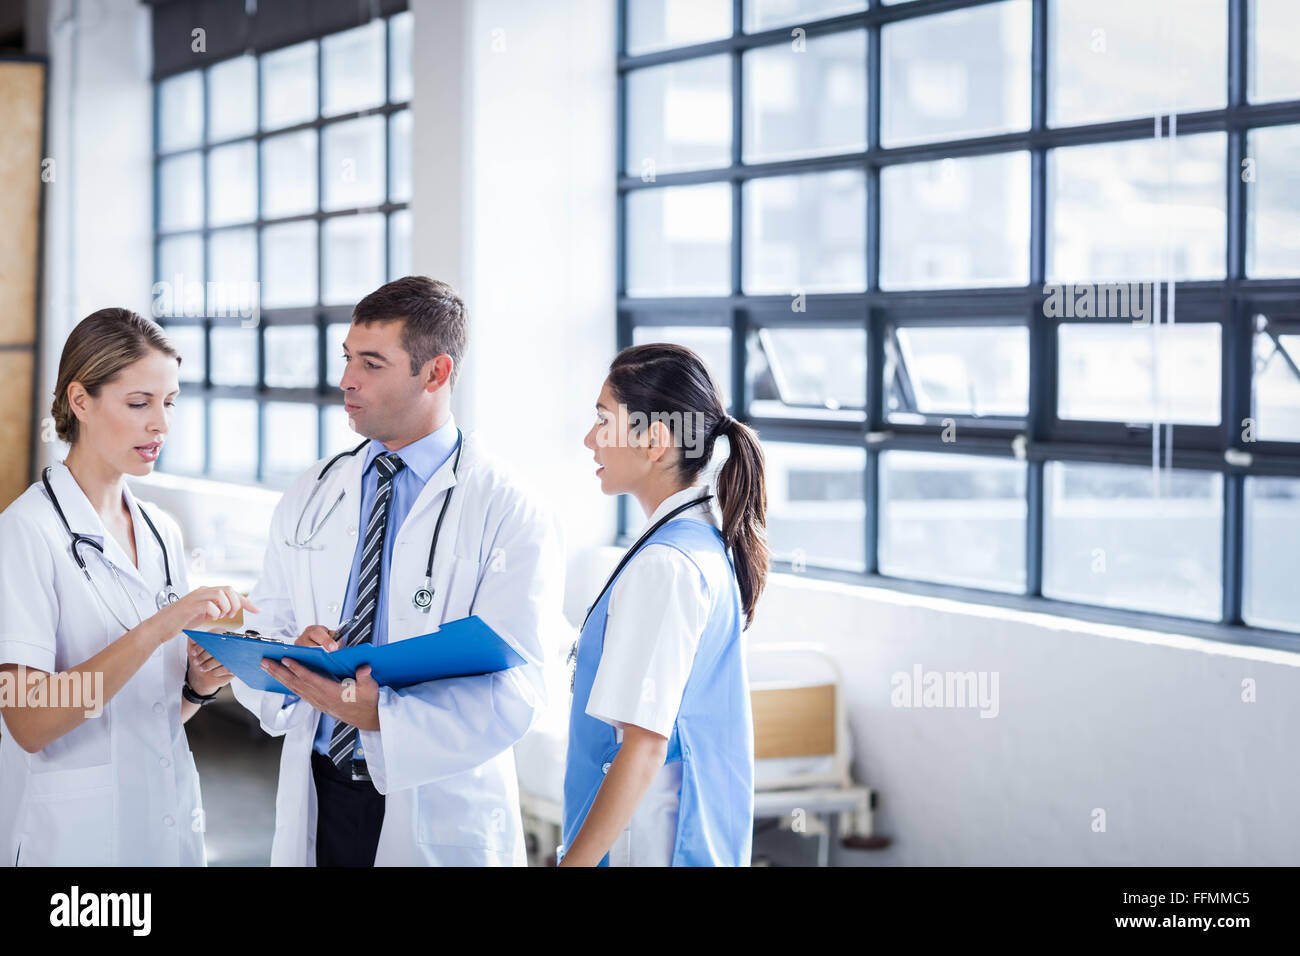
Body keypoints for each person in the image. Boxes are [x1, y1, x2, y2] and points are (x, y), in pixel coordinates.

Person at [230, 276, 564, 867]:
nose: (346, 381)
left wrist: (382, 717)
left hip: (436, 803)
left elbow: (522, 687)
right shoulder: (316, 488)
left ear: (435, 373)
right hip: (322, 789)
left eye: (371, 363)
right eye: (347, 359)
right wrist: (291, 654)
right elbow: (266, 622)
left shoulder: (507, 506)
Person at [0, 307, 256, 867]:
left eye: (169, 403)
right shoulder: (26, 533)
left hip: (164, 828)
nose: (160, 425)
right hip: (69, 843)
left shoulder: (161, 532)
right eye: (139, 403)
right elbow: (29, 719)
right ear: (80, 401)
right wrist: (159, 627)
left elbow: (149, 712)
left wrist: (194, 687)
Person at [559, 343, 768, 867]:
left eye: (604, 420)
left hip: (651, 847)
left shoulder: (667, 565)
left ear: (654, 440)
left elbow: (643, 746)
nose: (590, 440)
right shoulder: (693, 544)